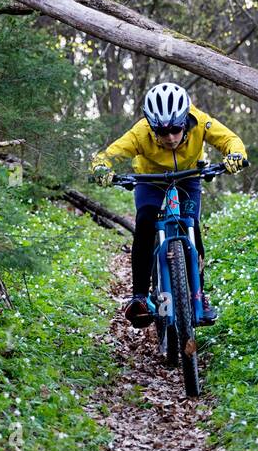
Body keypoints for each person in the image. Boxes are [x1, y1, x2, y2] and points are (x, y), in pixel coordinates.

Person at [90, 82, 247, 326]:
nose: (170, 137)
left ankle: (199, 296)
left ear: (185, 120)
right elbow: (108, 155)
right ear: (151, 126)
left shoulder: (200, 120)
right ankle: (140, 297)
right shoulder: (139, 133)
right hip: (150, 180)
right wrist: (101, 167)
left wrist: (235, 155)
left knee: (191, 226)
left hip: (188, 178)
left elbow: (230, 139)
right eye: (162, 132)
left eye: (175, 129)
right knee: (145, 223)